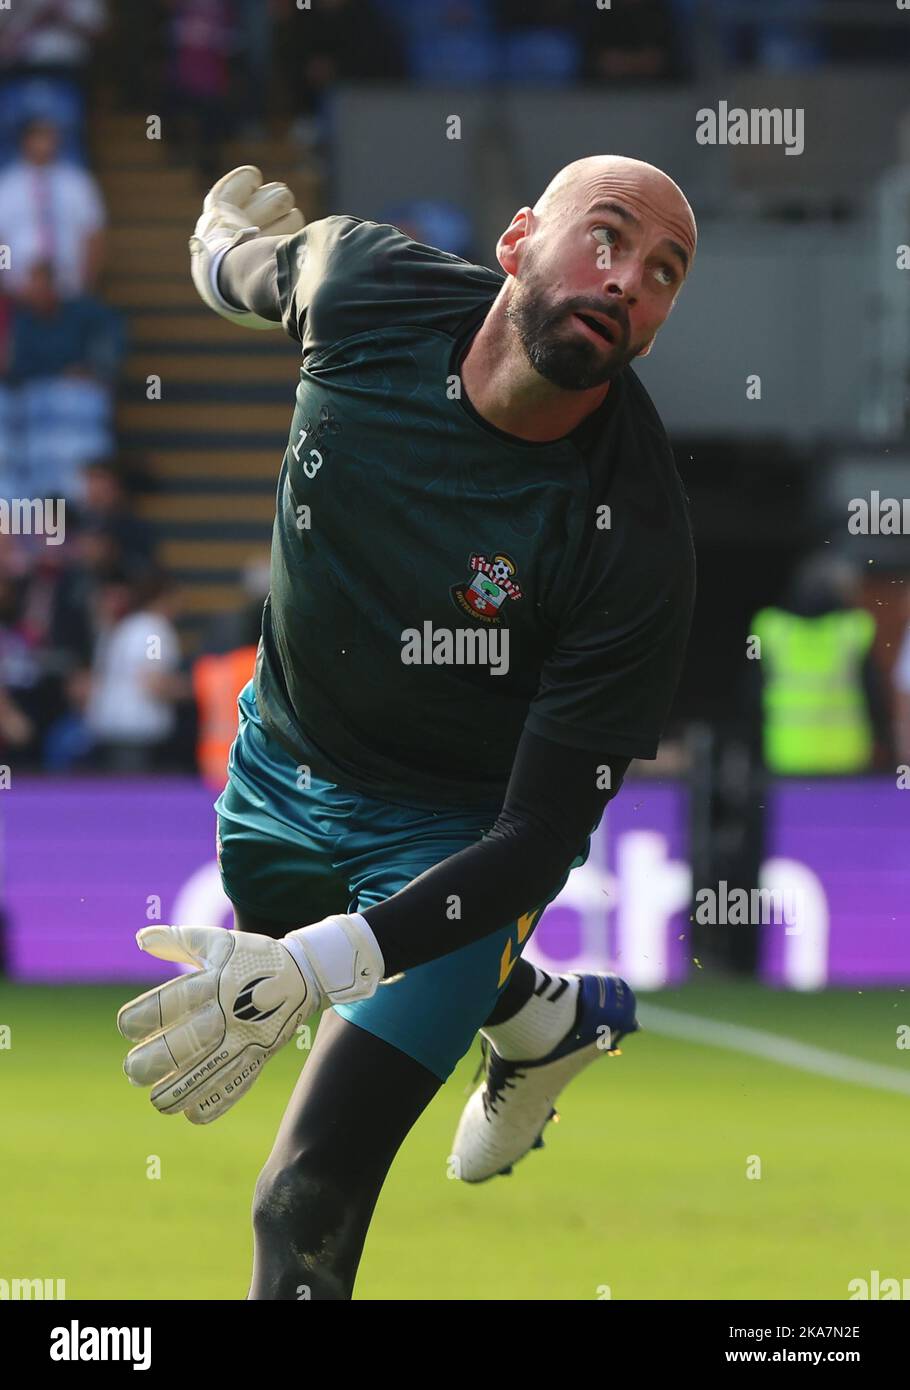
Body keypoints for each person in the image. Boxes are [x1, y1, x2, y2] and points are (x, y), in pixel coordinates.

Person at [118, 156, 698, 1299]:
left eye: (662, 271)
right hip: (277, 776)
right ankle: (544, 1022)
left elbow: (537, 839)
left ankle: (503, 997)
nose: (626, 277)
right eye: (606, 237)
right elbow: (234, 265)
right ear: (518, 240)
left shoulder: (634, 535)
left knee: (302, 1202)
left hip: (456, 838)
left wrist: (341, 953)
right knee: (296, 925)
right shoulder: (362, 285)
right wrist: (209, 238)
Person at [0, 116, 106, 297]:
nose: (44, 144)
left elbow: (94, 236)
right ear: (26, 141)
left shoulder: (78, 183)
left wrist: (87, 282)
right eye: (38, 137)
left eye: (49, 137)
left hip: (69, 287)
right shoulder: (7, 185)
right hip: (18, 290)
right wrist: (5, 280)